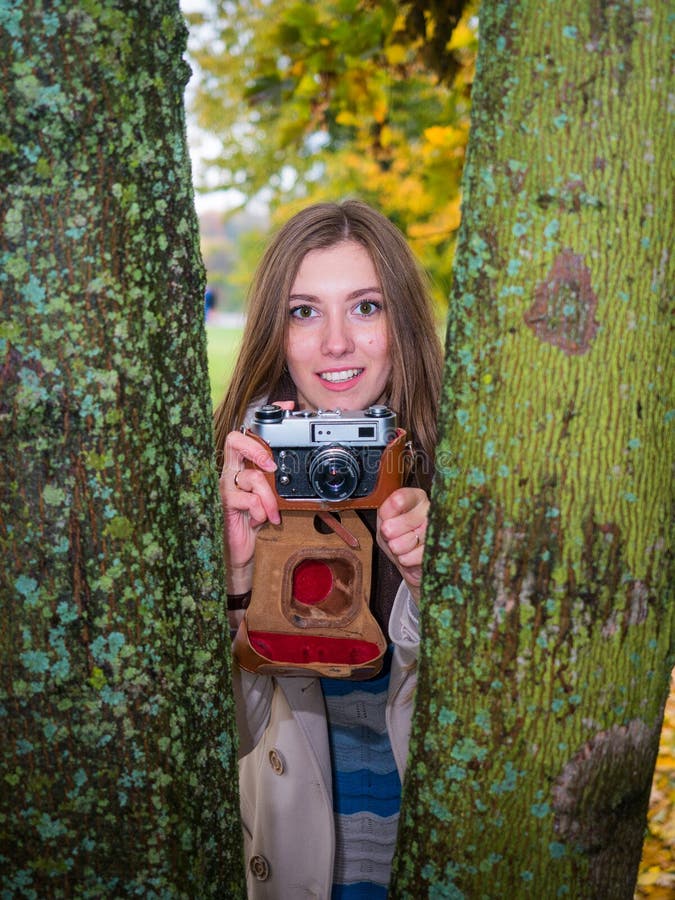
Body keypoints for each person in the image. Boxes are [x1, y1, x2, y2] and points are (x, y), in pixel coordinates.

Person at [214, 199, 443, 899]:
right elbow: (209, 745)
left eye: (366, 307)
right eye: (304, 311)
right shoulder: (233, 480)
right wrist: (233, 577)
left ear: (401, 321)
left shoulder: (475, 481)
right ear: (274, 334)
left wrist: (435, 587)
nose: (336, 342)